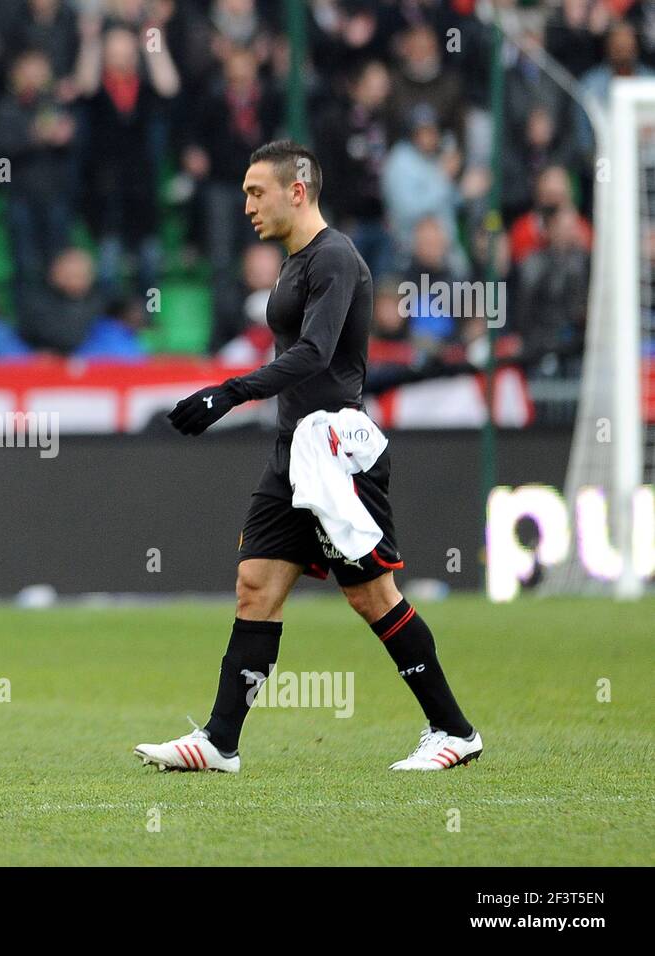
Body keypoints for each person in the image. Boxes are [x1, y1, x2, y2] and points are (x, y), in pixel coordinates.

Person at [135, 140, 481, 773]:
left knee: (373, 597)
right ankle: (220, 742)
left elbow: (318, 353)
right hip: (294, 451)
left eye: (255, 191)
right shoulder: (294, 261)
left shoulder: (336, 258)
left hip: (335, 454)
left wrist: (231, 392)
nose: (246, 206)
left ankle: (453, 730)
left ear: (297, 191)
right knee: (255, 586)